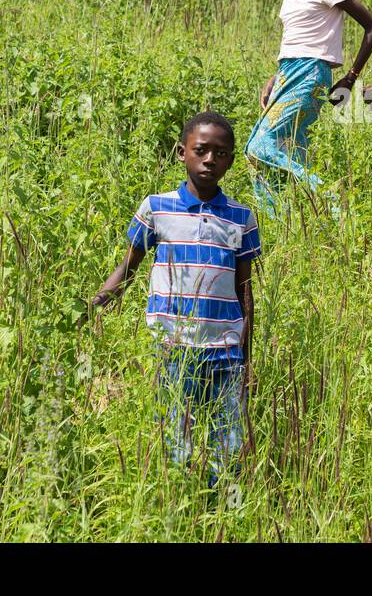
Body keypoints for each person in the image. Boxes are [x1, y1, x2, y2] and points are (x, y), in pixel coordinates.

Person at [91, 111, 260, 488]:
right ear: (182, 152)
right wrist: (90, 306)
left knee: (229, 444)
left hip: (224, 351)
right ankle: (180, 507)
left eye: (220, 153)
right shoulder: (156, 209)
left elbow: (245, 293)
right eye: (201, 150)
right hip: (172, 350)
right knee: (175, 443)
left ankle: (222, 512)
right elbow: (128, 269)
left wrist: (247, 357)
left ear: (231, 160)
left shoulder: (241, 219)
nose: (210, 160)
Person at [244, 0, 372, 213]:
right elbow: (294, 40)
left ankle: (332, 202)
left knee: (258, 146)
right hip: (287, 73)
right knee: (288, 146)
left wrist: (350, 77)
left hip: (310, 74)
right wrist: (275, 77)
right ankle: (283, 220)